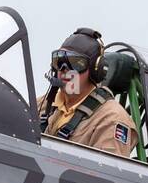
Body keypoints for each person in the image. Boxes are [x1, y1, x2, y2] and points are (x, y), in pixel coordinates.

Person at [37, 28, 137, 158]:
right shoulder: (41, 104)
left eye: (76, 63)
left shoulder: (111, 119)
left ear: (95, 70)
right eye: (59, 61)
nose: (64, 70)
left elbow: (106, 174)